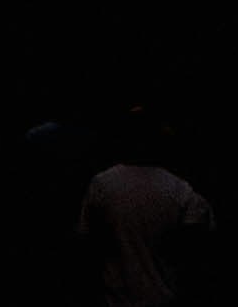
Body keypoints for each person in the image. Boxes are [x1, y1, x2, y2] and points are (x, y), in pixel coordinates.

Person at [76, 95, 213, 307]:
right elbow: (197, 249)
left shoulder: (102, 185)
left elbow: (87, 243)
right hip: (165, 298)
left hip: (116, 299)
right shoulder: (180, 190)